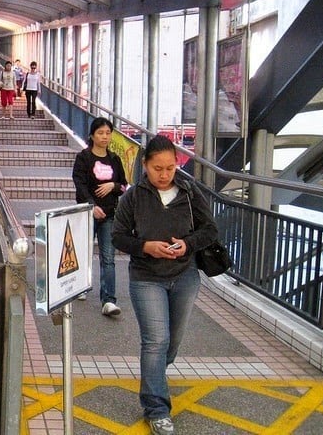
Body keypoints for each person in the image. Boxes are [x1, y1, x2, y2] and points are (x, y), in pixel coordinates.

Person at [112, 135, 217, 435]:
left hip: (185, 276)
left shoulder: (188, 191)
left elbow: (210, 229)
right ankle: (157, 408)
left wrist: (187, 244)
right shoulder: (133, 197)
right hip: (147, 278)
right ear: (145, 165)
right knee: (156, 341)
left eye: (170, 167)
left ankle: (154, 373)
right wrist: (146, 246)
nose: (164, 174)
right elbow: (118, 236)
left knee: (170, 344)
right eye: (157, 168)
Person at [72, 117, 128, 315]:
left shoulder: (114, 159)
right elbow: (80, 184)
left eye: (107, 133)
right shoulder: (84, 158)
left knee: (108, 257)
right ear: (92, 135)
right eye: (100, 133)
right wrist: (92, 205)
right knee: (83, 251)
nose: (105, 137)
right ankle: (80, 286)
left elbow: (123, 185)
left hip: (110, 214)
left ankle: (109, 300)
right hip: (88, 212)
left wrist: (112, 185)